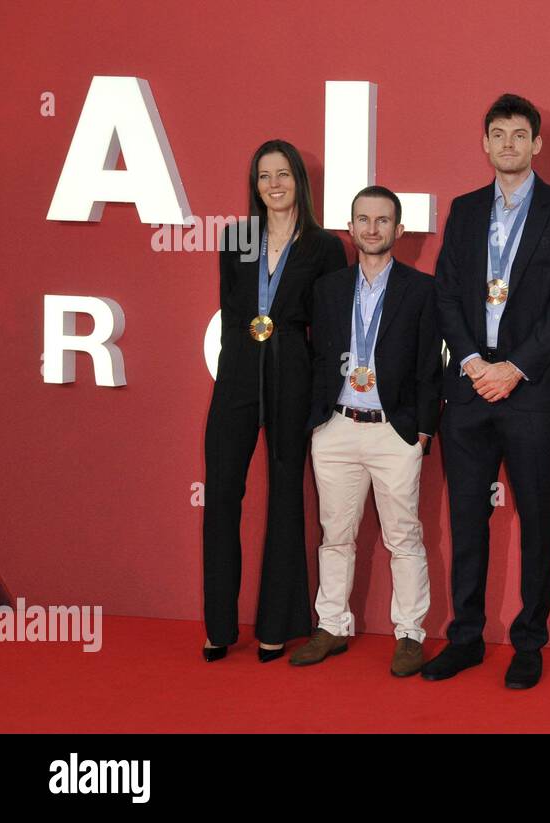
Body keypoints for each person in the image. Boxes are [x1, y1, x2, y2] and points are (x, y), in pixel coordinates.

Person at [423, 93, 550, 689]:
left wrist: (512, 368)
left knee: (538, 518)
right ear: (485, 143)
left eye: (520, 134)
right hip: (468, 390)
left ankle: (529, 642)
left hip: (533, 392)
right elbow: (445, 292)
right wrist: (472, 362)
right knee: (466, 517)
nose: (509, 144)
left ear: (538, 144)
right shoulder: (465, 210)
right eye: (499, 134)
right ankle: (465, 637)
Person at [202, 140, 347, 663]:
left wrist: (322, 392)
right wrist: (227, 378)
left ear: (298, 182)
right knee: (221, 495)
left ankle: (275, 627)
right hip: (239, 369)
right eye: (264, 176)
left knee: (286, 496)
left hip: (293, 369)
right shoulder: (238, 237)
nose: (274, 184)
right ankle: (218, 627)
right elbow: (229, 310)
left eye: (283, 174)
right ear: (255, 184)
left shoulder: (324, 246)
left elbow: (330, 326)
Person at [290, 186, 441, 676]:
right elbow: (315, 359)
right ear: (350, 228)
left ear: (399, 230)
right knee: (335, 535)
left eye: (382, 220)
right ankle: (332, 625)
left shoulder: (422, 290)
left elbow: (429, 365)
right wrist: (316, 422)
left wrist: (421, 431)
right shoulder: (328, 289)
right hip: (336, 428)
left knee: (404, 537)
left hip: (393, 431)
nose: (372, 228)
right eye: (363, 219)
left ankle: (410, 634)